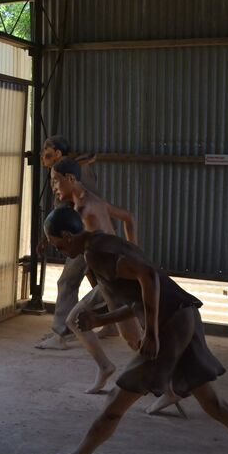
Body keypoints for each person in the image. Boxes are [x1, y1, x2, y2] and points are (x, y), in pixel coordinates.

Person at [34, 207, 228, 454]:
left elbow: (149, 277)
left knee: (116, 401)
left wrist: (153, 333)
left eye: (57, 244)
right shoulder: (104, 241)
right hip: (185, 314)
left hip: (169, 325)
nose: (58, 251)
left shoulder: (96, 254)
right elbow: (138, 301)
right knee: (213, 404)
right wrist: (99, 319)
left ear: (67, 235)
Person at [49, 157, 138, 393]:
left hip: (114, 281)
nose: (54, 188)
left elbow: (87, 247)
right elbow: (129, 217)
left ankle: (168, 385)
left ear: (70, 179)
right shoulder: (91, 201)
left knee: (135, 340)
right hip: (108, 276)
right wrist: (133, 249)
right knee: (74, 320)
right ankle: (105, 366)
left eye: (56, 182)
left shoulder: (82, 210)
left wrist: (132, 256)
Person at [35, 135, 104, 350]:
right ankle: (111, 323)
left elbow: (78, 205)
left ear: (57, 154)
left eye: (46, 154)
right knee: (101, 281)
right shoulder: (63, 172)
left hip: (82, 236)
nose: (41, 159)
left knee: (66, 282)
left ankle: (61, 334)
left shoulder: (76, 173)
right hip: (85, 235)